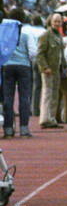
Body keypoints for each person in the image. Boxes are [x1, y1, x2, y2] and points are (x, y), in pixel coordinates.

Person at [1, 9, 37, 138]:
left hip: (7, 65)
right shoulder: (26, 33)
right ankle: (24, 128)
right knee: (24, 98)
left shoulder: (4, 32)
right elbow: (33, 52)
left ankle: (8, 129)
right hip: (23, 66)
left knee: (8, 98)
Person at [36, 12, 65, 129]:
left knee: (55, 94)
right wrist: (44, 67)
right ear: (50, 22)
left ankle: (51, 119)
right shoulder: (45, 36)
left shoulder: (59, 36)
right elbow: (40, 54)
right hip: (48, 69)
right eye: (55, 21)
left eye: (59, 21)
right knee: (47, 93)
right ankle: (44, 119)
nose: (57, 23)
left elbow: (61, 54)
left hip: (57, 69)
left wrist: (65, 66)